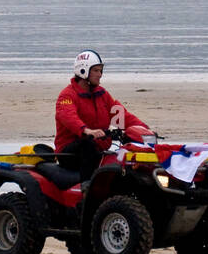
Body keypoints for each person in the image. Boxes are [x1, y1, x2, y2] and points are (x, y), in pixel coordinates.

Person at [54, 50, 151, 182]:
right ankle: (86, 187)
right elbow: (68, 117)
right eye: (96, 71)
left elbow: (121, 116)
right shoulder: (67, 95)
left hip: (97, 150)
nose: (100, 75)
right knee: (87, 144)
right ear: (83, 71)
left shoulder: (102, 94)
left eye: (101, 71)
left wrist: (145, 130)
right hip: (70, 152)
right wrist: (86, 131)